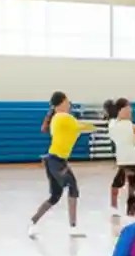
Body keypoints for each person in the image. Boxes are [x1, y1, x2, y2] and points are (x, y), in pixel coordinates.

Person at [29, 91, 96, 238]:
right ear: (61, 103)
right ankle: (73, 227)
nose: (69, 104)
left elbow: (78, 129)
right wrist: (103, 124)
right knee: (73, 188)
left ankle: (33, 223)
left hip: (54, 161)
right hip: (56, 161)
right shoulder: (63, 118)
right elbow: (84, 126)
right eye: (67, 102)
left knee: (55, 196)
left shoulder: (58, 118)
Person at [105, 98, 135, 217]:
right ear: (121, 110)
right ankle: (120, 208)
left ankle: (127, 208)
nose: (130, 111)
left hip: (131, 158)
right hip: (125, 158)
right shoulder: (118, 124)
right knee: (122, 183)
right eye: (127, 109)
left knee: (130, 184)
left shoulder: (124, 124)